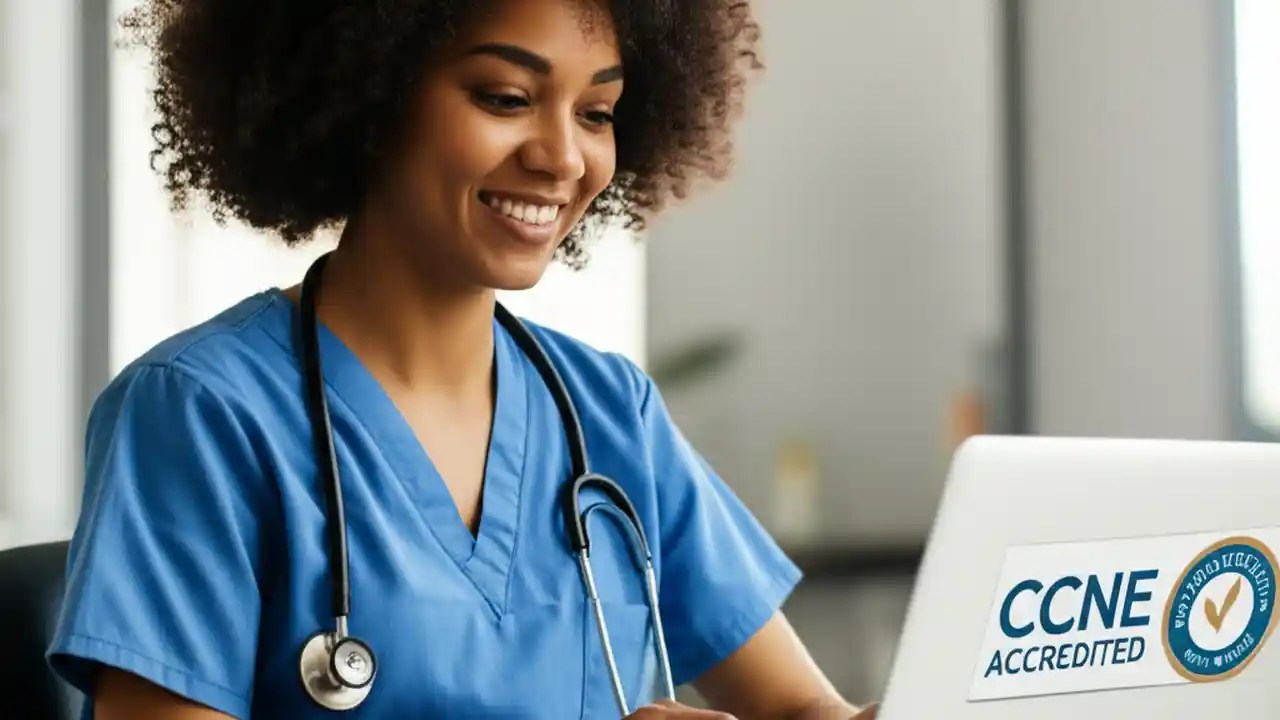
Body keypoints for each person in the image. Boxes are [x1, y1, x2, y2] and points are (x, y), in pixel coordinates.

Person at [46, 0, 879, 718]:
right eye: (506, 97)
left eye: (597, 113)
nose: (561, 157)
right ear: (365, 93)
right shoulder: (202, 413)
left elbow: (805, 708)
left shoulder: (607, 412)